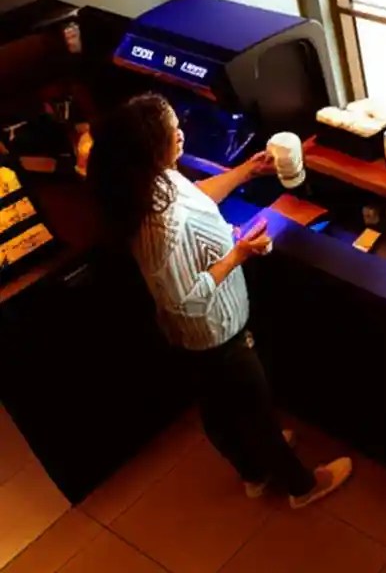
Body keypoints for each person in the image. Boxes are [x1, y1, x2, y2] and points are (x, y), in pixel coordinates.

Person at [88, 93, 352, 507]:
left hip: (199, 336)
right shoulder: (159, 228)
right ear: (150, 146)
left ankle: (253, 471)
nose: (181, 133)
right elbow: (185, 301)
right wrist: (237, 256)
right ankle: (302, 486)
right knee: (253, 408)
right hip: (211, 333)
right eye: (171, 130)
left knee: (219, 405)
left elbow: (194, 195)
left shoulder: (154, 180)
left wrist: (246, 171)